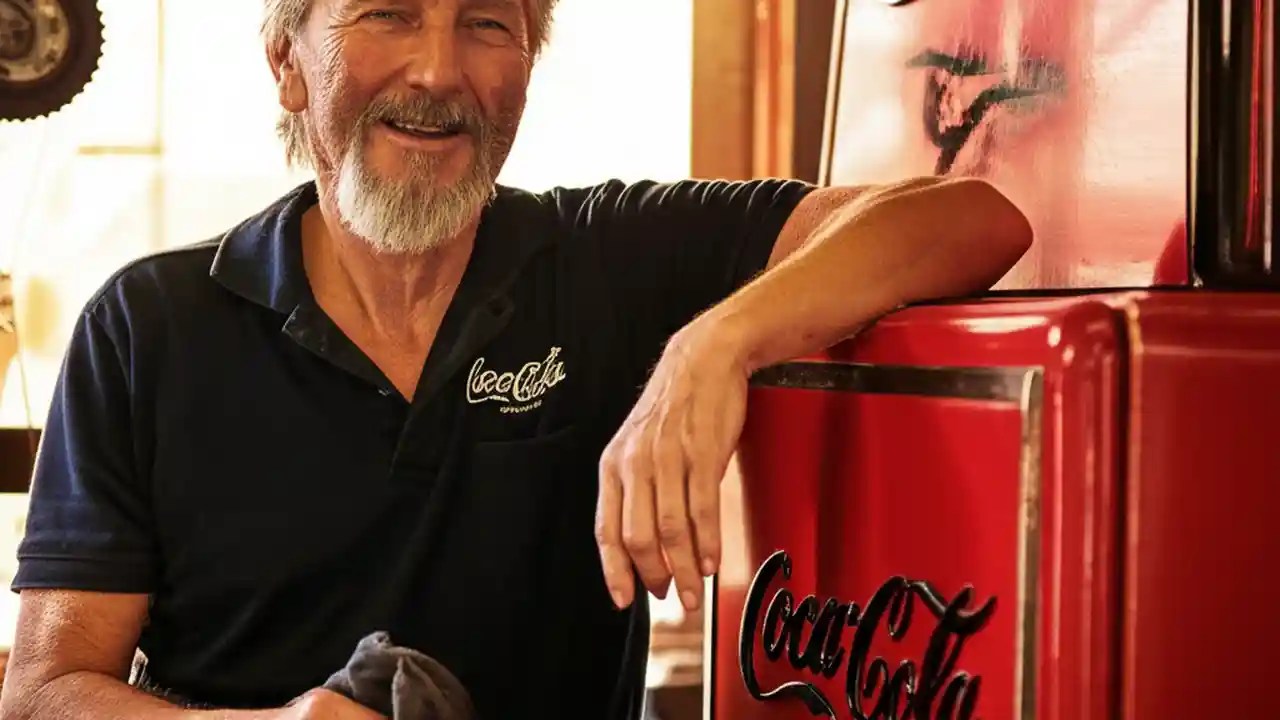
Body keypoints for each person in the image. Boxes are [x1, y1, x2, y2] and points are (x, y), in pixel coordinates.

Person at [0, 1, 1032, 718]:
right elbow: (46, 693)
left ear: (525, 70)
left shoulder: (611, 260)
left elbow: (970, 219)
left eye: (486, 23)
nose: (440, 71)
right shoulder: (149, 326)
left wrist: (712, 343)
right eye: (386, 14)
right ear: (286, 63)